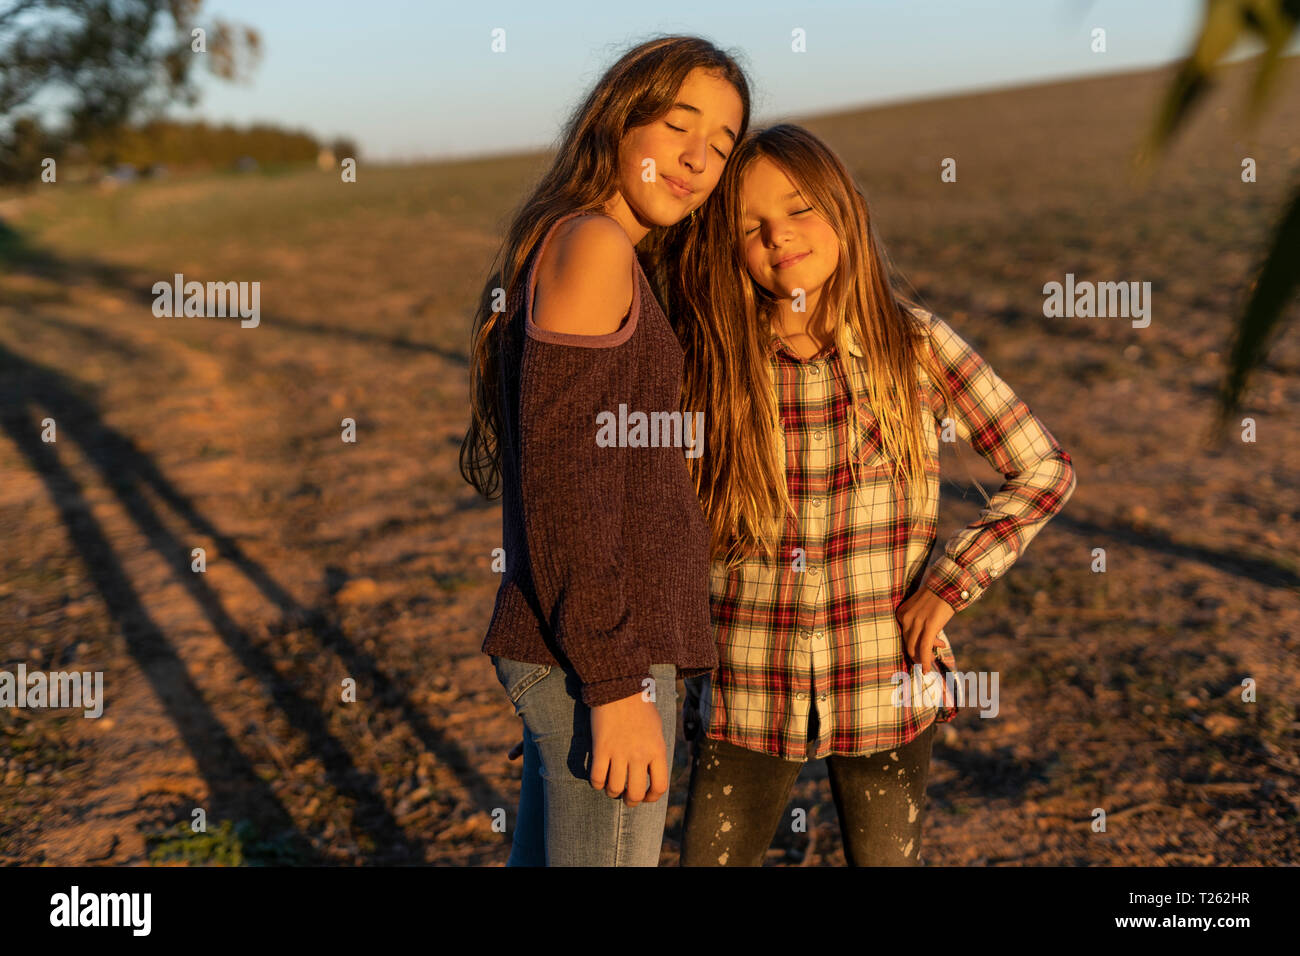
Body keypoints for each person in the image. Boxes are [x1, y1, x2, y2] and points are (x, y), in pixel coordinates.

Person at [673, 124, 1078, 866]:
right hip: (746, 696)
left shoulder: (912, 346)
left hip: (888, 692)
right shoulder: (713, 370)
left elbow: (1043, 469)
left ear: (846, 210)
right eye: (751, 226)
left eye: (798, 210)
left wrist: (948, 587)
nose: (779, 237)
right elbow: (659, 526)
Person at [460, 35, 750, 866]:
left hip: (588, 648)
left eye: (722, 146)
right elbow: (566, 488)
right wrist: (618, 687)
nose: (698, 160)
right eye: (677, 125)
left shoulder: (591, 244)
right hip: (602, 656)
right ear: (618, 121)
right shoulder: (593, 246)